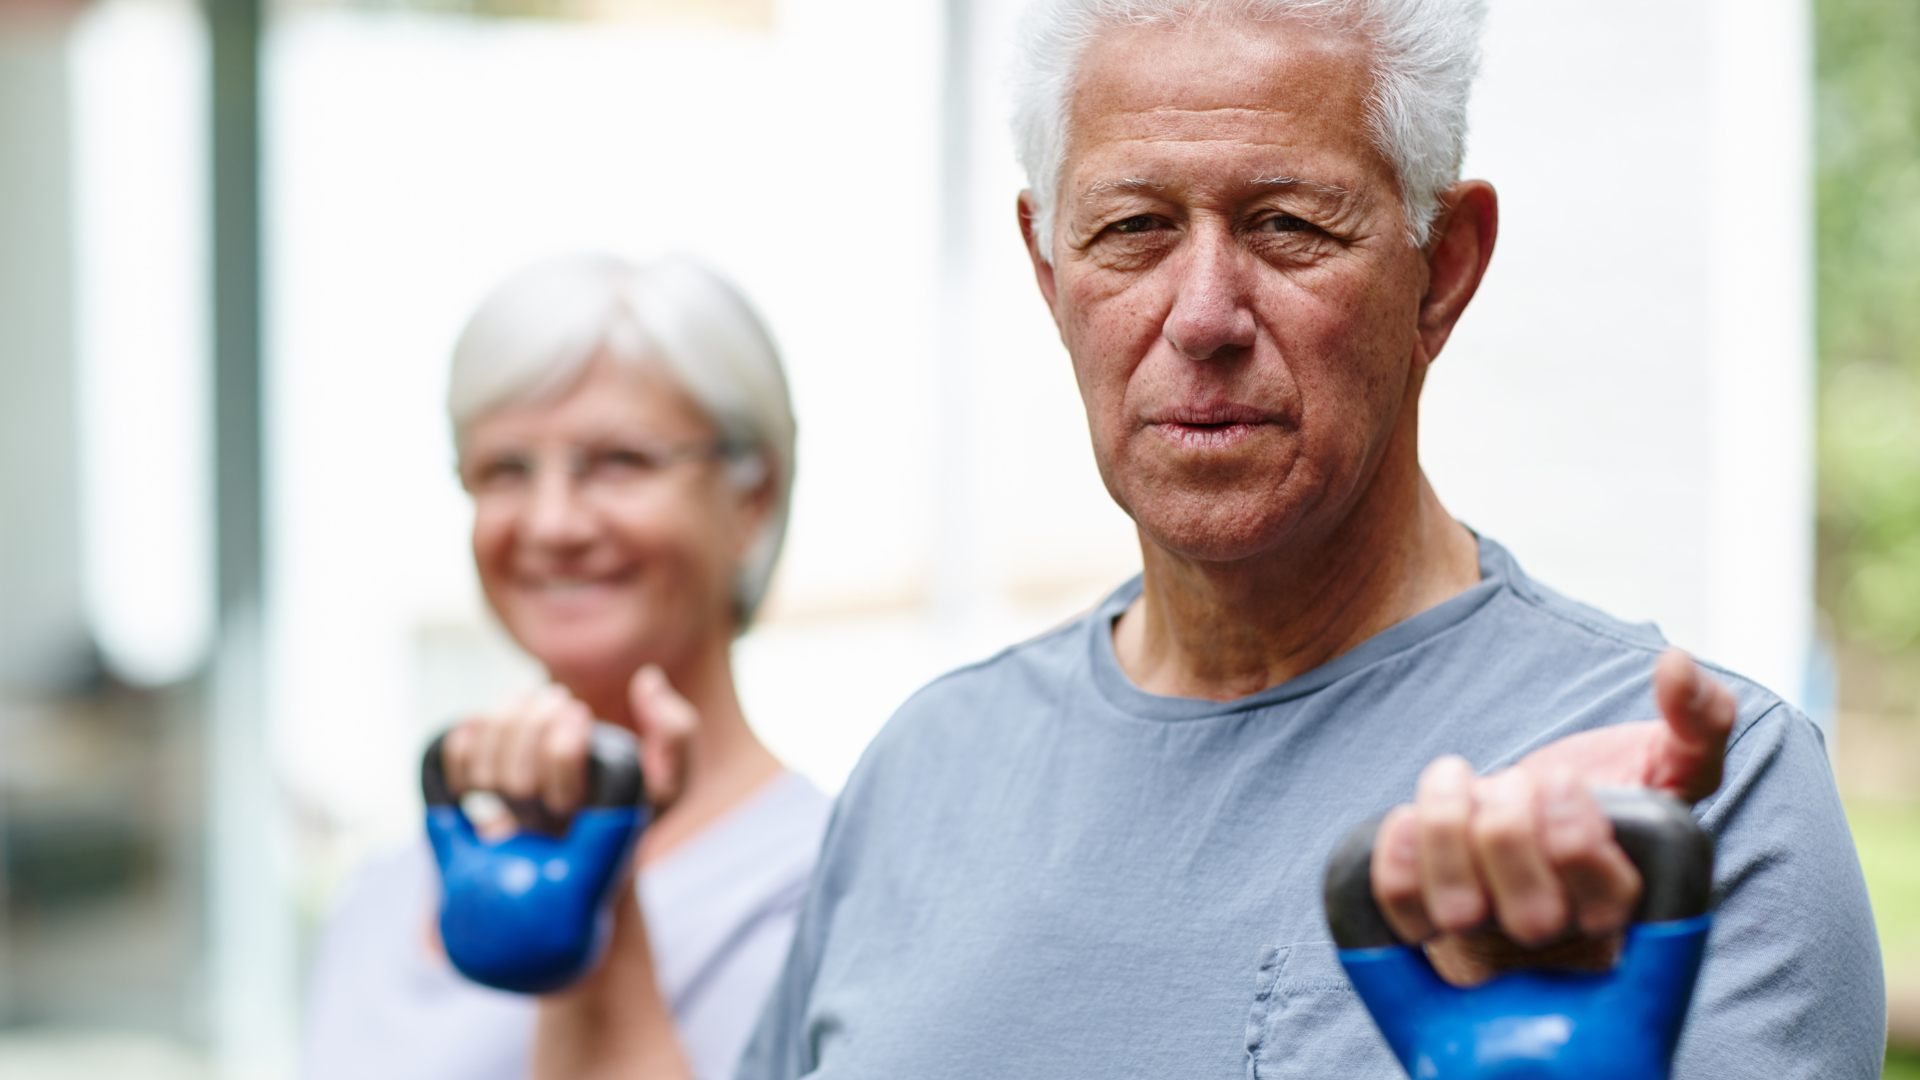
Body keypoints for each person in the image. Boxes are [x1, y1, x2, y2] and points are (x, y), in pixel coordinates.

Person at [507, 2, 1888, 1077]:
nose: (1204, 313)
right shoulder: (926, 776)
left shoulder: (1681, 810)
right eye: (1133, 231)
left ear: (1443, 271)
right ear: (1050, 272)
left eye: (1288, 226)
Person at [300, 253, 830, 1080]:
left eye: (619, 461)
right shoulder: (376, 897)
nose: (551, 522)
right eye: (505, 470)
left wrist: (600, 891)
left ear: (750, 499)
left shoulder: (825, 890)